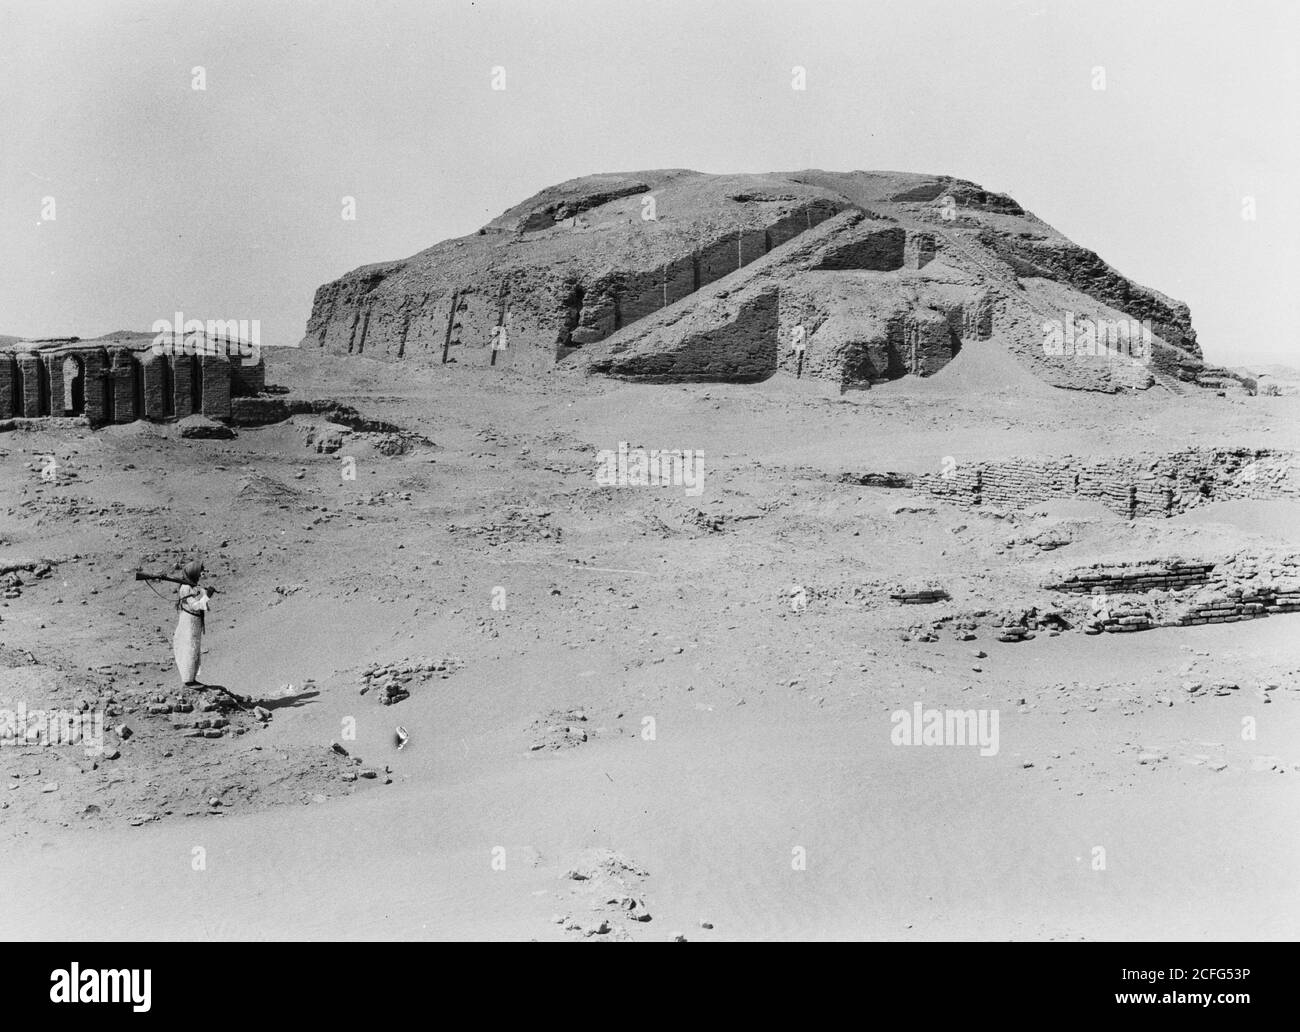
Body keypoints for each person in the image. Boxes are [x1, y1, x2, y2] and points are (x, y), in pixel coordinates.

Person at [174, 560, 211, 687]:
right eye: (201, 570)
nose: (203, 573)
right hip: (189, 622)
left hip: (194, 622)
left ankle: (192, 678)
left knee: (194, 649)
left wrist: (205, 593)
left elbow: (200, 594)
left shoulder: (192, 586)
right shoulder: (185, 588)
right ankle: (188, 680)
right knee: (189, 648)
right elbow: (195, 606)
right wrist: (207, 597)